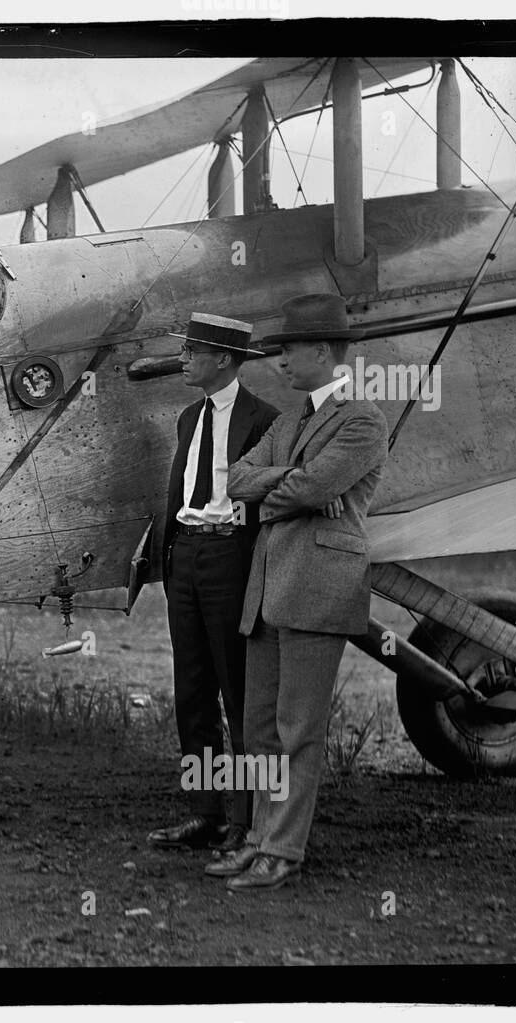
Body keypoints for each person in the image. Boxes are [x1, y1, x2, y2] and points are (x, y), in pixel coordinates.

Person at [209, 293, 388, 890]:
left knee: (297, 728)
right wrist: (290, 486)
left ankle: (282, 852)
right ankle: (259, 838)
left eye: (289, 350)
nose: (281, 361)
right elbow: (235, 481)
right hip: (268, 591)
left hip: (318, 589)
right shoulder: (288, 422)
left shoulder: (362, 420)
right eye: (279, 351)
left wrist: (284, 490)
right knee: (259, 727)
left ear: (324, 351)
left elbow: (313, 490)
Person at [146, 313, 279, 858]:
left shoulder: (264, 419)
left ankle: (248, 825)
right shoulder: (186, 418)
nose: (182, 358)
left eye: (192, 350)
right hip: (188, 558)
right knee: (192, 691)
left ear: (223, 358)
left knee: (239, 692)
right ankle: (205, 814)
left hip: (231, 557)